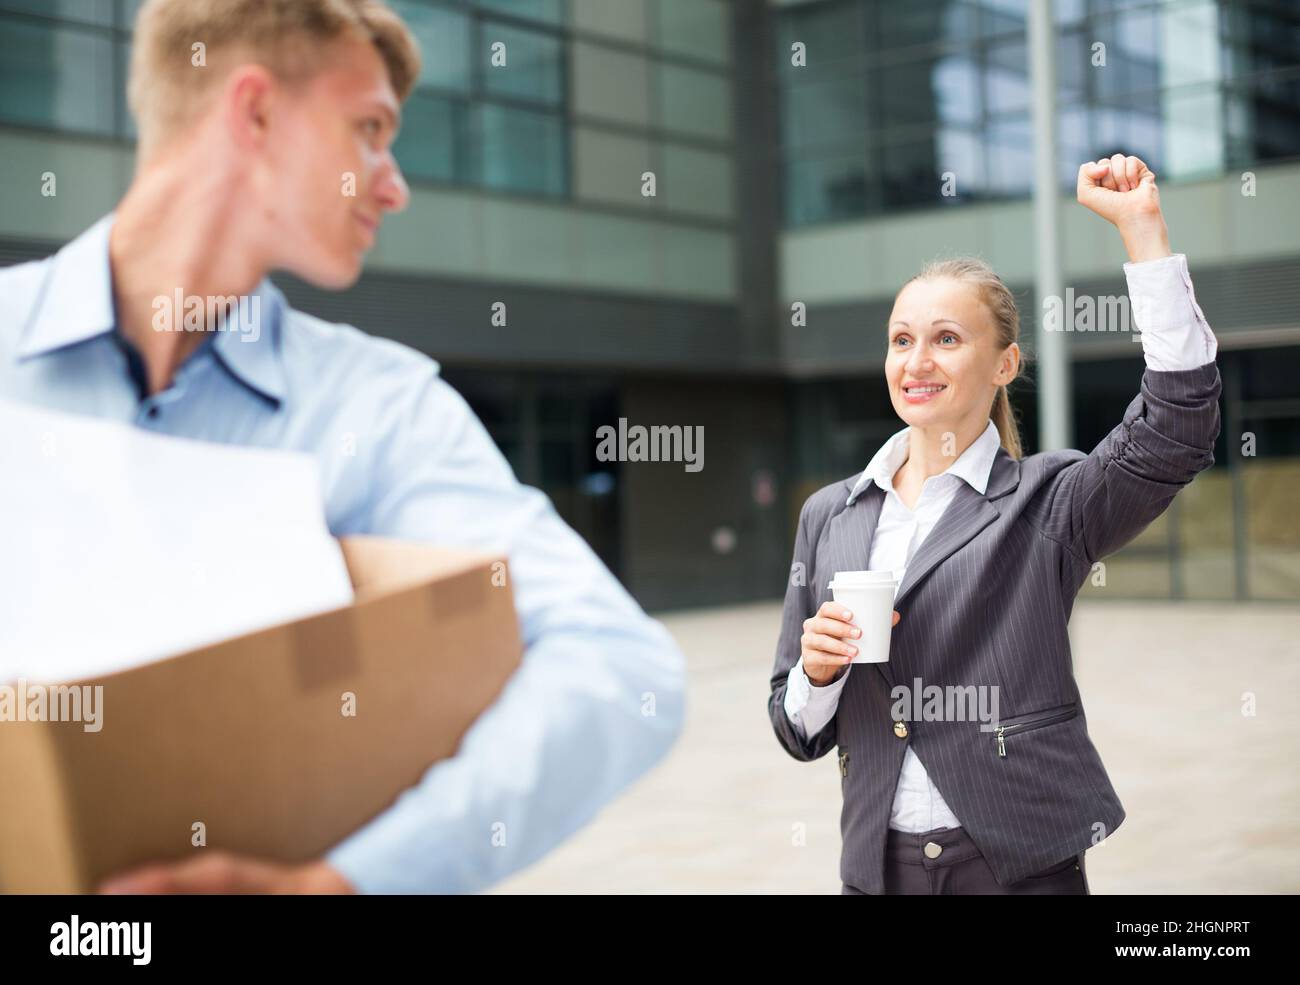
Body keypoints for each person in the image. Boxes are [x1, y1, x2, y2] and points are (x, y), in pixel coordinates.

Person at [0, 0, 686, 893]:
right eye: (369, 130)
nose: (394, 184)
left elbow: (617, 663)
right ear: (254, 112)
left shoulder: (382, 409)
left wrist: (350, 882)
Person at [768, 153, 1221, 894]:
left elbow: (1178, 427)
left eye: (947, 338)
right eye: (901, 339)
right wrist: (816, 676)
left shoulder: (1049, 500)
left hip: (1016, 866)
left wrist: (1143, 231)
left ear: (1005, 362)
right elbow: (796, 728)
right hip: (876, 872)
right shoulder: (830, 513)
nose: (917, 360)